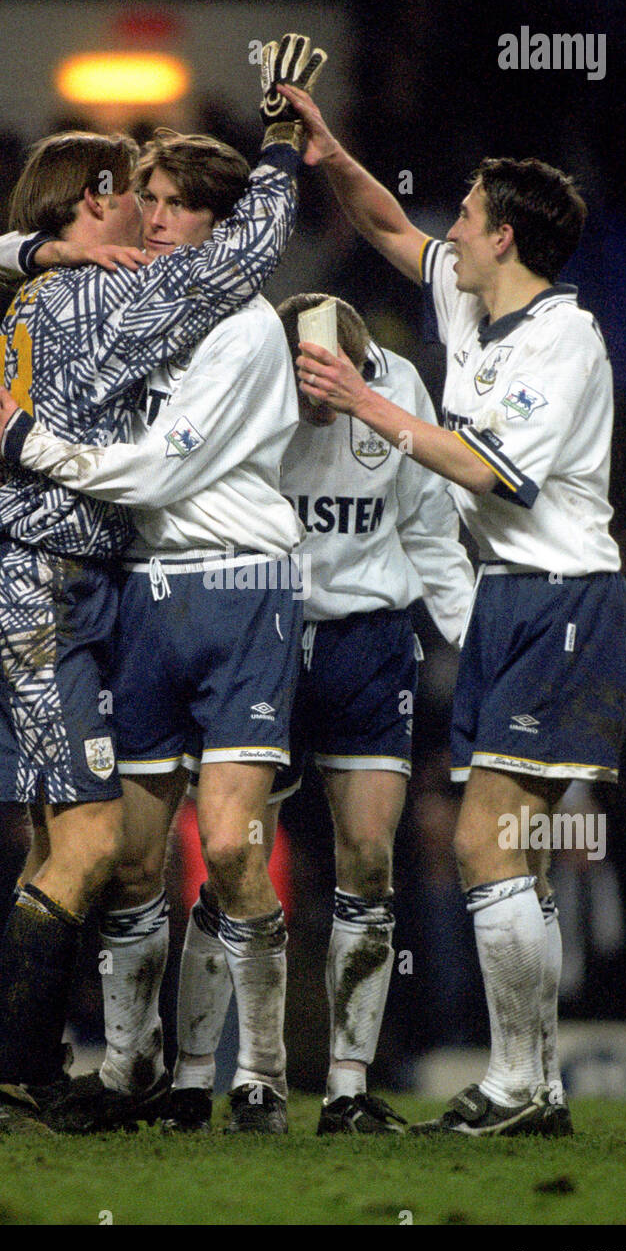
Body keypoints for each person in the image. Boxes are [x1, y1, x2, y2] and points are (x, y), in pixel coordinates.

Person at [0, 37, 320, 1136]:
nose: (144, 220)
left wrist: (24, 252)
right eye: (125, 198)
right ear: (85, 212)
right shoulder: (98, 305)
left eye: (158, 199)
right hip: (50, 587)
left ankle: (45, 1066)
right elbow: (249, 243)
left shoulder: (40, 290)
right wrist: (284, 137)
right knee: (95, 843)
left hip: (64, 581)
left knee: (63, 838)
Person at [280, 83, 626, 1137]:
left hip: (560, 601)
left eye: (468, 215)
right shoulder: (472, 305)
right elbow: (385, 224)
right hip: (509, 606)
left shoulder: (560, 343)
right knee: (508, 851)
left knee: (485, 843)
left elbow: (495, 475)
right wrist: (327, 146)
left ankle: (520, 1082)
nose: (451, 227)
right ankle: (533, 1084)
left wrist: (364, 402)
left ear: (504, 236)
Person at [161, 294, 476, 1135]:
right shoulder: (247, 390)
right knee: (231, 860)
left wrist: (478, 656)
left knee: (369, 858)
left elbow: (433, 536)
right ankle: (207, 1075)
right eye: (300, 385)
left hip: (368, 646)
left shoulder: (400, 389)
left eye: (327, 384)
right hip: (261, 629)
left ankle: (345, 1088)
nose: (312, 402)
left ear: (358, 367)